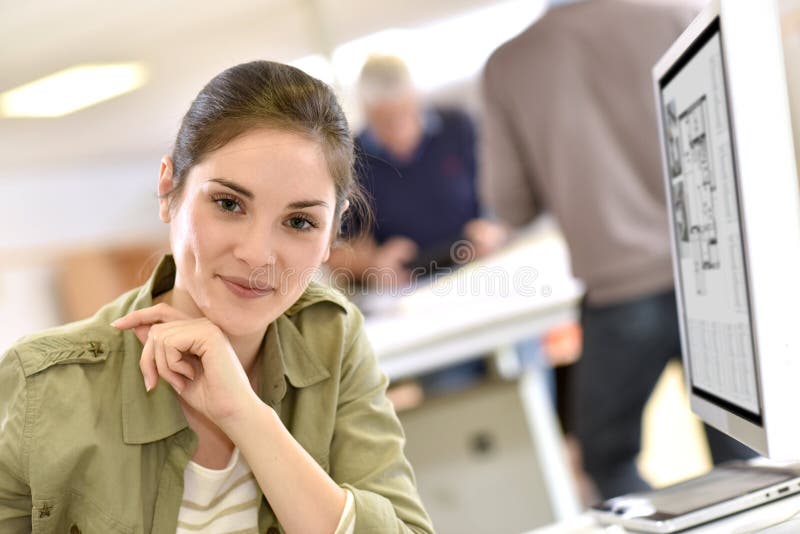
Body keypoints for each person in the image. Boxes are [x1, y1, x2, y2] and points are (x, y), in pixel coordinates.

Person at [0, 60, 433, 533]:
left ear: (333, 232)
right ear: (168, 190)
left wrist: (245, 416)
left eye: (299, 222)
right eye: (229, 204)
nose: (257, 254)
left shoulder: (332, 338)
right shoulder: (44, 387)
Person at [480, 0, 755, 501]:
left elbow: (512, 204)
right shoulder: (678, 15)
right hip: (720, 277)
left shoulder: (510, 64)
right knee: (749, 457)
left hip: (619, 293)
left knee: (606, 458)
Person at [328, 55, 507, 288]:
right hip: (407, 286)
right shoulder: (351, 160)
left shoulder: (457, 127)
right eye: (386, 120)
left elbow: (507, 191)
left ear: (417, 99)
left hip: (477, 265)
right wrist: (373, 264)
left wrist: (494, 228)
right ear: (368, 113)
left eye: (404, 113)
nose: (398, 130)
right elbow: (333, 252)